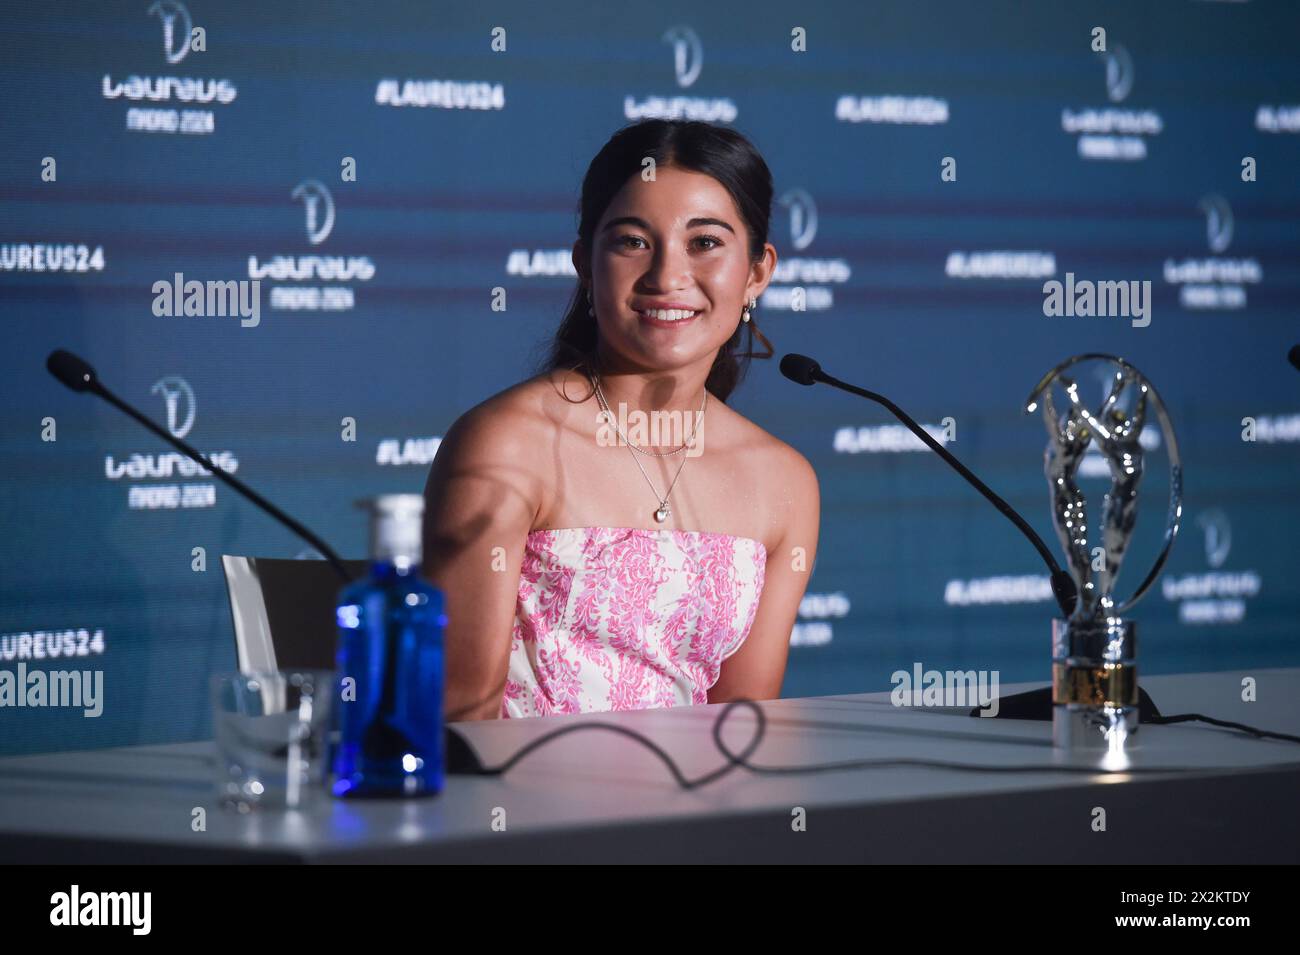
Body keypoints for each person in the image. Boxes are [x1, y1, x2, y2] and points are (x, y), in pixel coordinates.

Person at [422, 119, 820, 721]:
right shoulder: (507, 444)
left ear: (758, 272)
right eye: (633, 241)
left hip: (695, 812)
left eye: (705, 243)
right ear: (586, 261)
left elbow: (746, 731)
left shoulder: (783, 482)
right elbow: (458, 722)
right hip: (519, 807)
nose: (667, 277)